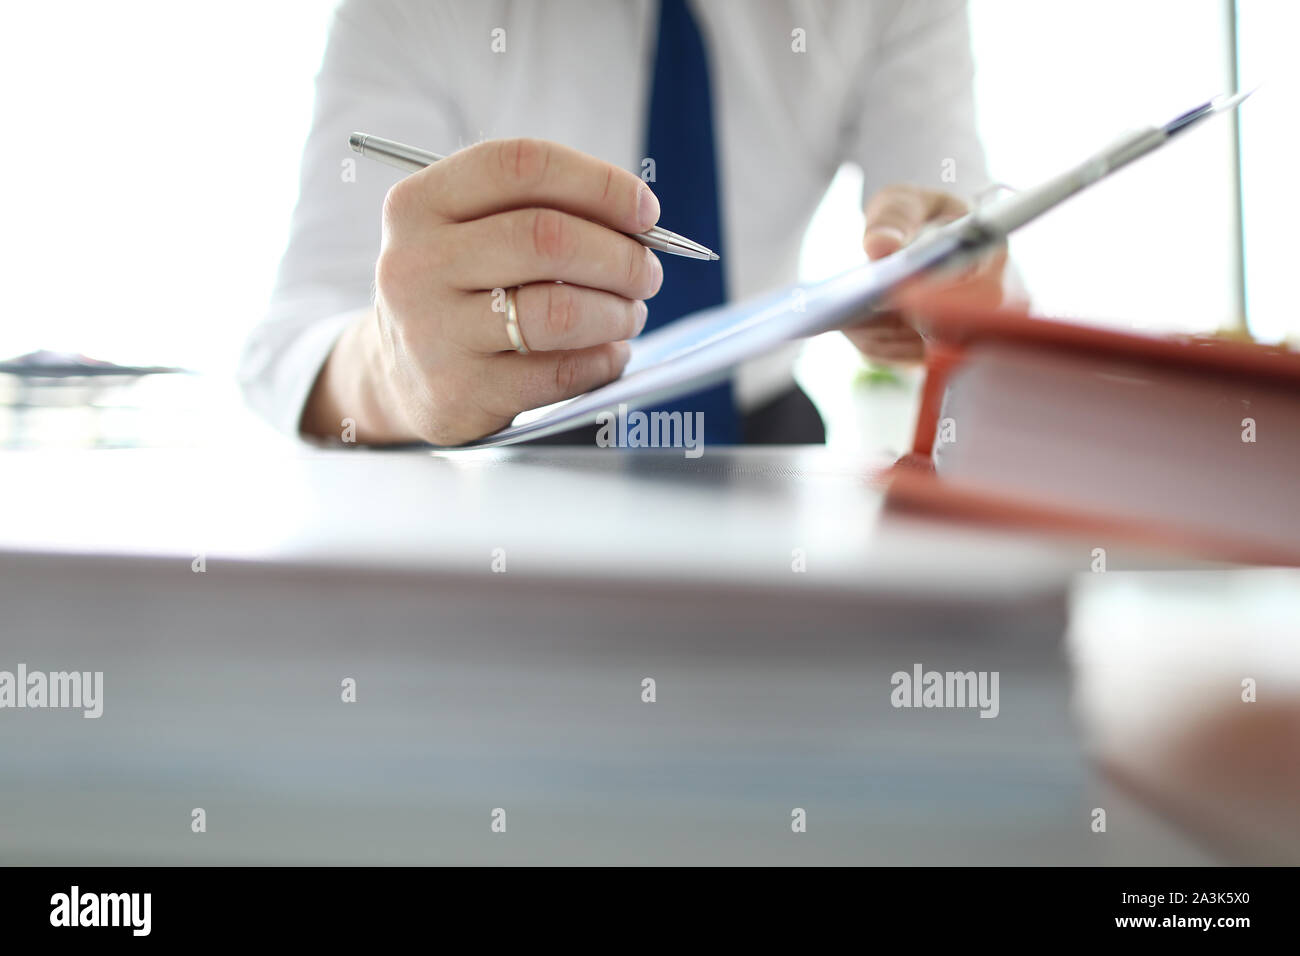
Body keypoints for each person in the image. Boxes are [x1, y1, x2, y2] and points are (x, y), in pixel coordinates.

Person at [240, 0, 1007, 447]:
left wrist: (946, 283)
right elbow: (292, 344)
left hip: (766, 440)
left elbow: (961, 232)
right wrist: (395, 371)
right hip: (513, 453)